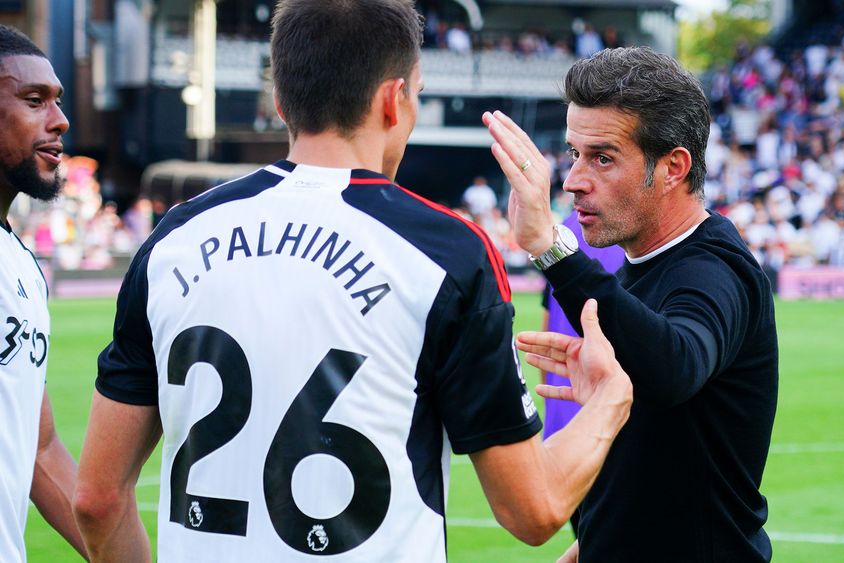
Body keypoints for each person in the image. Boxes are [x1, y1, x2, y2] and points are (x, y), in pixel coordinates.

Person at [71, 2, 633, 562]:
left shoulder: (177, 235)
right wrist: (613, 395)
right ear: (395, 99)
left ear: (280, 100)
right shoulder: (443, 251)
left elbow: (97, 500)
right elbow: (532, 510)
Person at [484, 46, 779, 561]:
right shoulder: (641, 266)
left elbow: (672, 367)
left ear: (672, 168)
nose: (574, 179)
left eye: (602, 157)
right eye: (574, 154)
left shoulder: (714, 270)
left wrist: (550, 247)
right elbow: (660, 454)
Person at [0, 24, 88, 562]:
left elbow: (41, 448)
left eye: (57, 101)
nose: (60, 121)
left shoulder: (21, 262)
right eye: (34, 101)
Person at [540, 212, 624, 439]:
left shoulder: (563, 228)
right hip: (610, 402)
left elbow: (547, 317)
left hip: (563, 389)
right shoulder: (640, 233)